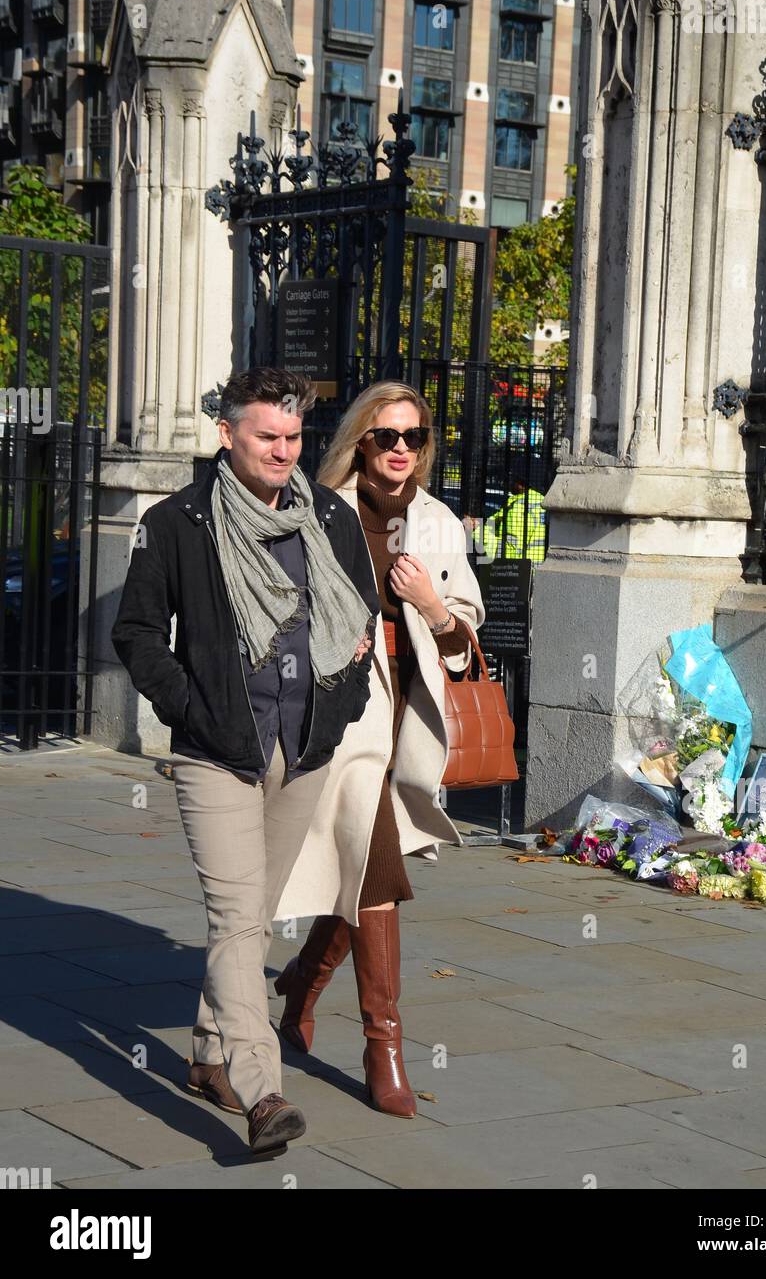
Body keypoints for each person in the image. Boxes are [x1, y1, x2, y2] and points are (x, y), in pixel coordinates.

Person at [111, 368, 380, 1154]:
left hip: (302, 748)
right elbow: (134, 633)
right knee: (235, 917)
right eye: (267, 436)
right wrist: (191, 709)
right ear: (226, 434)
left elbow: (359, 623)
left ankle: (205, 1057)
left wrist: (344, 703)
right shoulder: (179, 523)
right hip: (217, 752)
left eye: (294, 438)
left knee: (252, 918)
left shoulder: (327, 515)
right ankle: (264, 1095)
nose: (283, 451)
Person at [273, 381, 485, 1118]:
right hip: (342, 713)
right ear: (359, 441)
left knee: (360, 857)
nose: (402, 450)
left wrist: (429, 602)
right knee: (377, 863)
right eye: (386, 436)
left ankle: (303, 980)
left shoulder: (436, 524)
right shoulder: (316, 510)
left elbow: (462, 644)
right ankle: (383, 1046)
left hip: (409, 718)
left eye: (414, 438)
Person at [480, 457, 547, 562]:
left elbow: (508, 549)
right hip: (536, 570)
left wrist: (476, 531)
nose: (510, 481)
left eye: (513, 478)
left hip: (517, 572)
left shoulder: (518, 508)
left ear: (521, 484)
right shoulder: (543, 502)